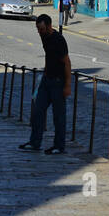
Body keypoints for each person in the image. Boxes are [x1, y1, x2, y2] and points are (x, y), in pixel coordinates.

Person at [19, 14, 71, 154]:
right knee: (37, 111)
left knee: (58, 115)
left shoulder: (58, 39)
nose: (39, 32)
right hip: (46, 79)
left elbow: (66, 62)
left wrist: (67, 85)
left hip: (58, 81)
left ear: (49, 26)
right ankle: (35, 142)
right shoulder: (44, 37)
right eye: (38, 29)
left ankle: (59, 146)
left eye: (41, 29)